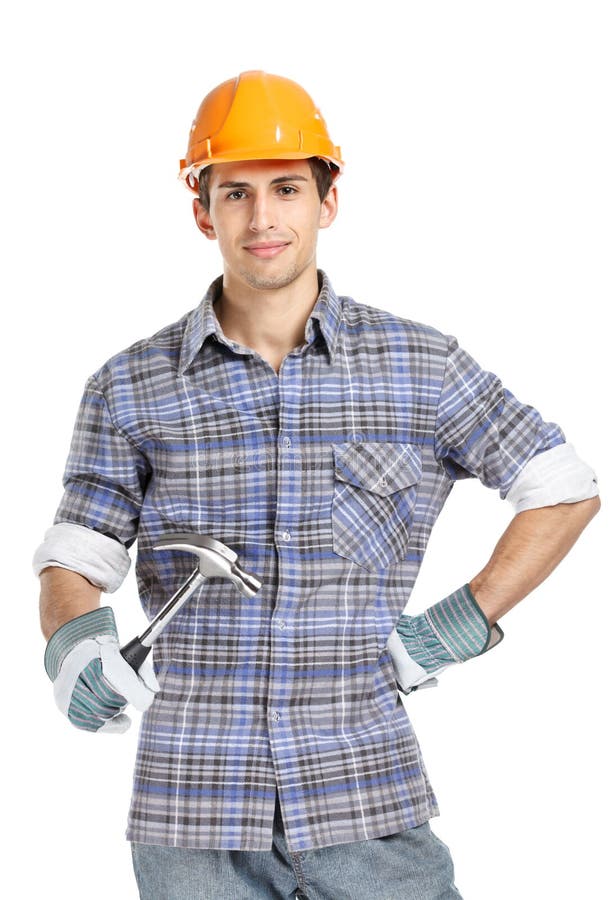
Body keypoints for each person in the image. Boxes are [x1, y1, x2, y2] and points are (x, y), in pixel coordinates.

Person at [34, 70, 600, 900]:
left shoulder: (420, 366)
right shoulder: (129, 387)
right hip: (194, 820)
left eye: (287, 188)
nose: (263, 218)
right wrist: (74, 645)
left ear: (326, 202)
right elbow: (76, 556)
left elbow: (561, 485)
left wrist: (455, 626)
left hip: (365, 799)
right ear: (203, 211)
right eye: (236, 193)